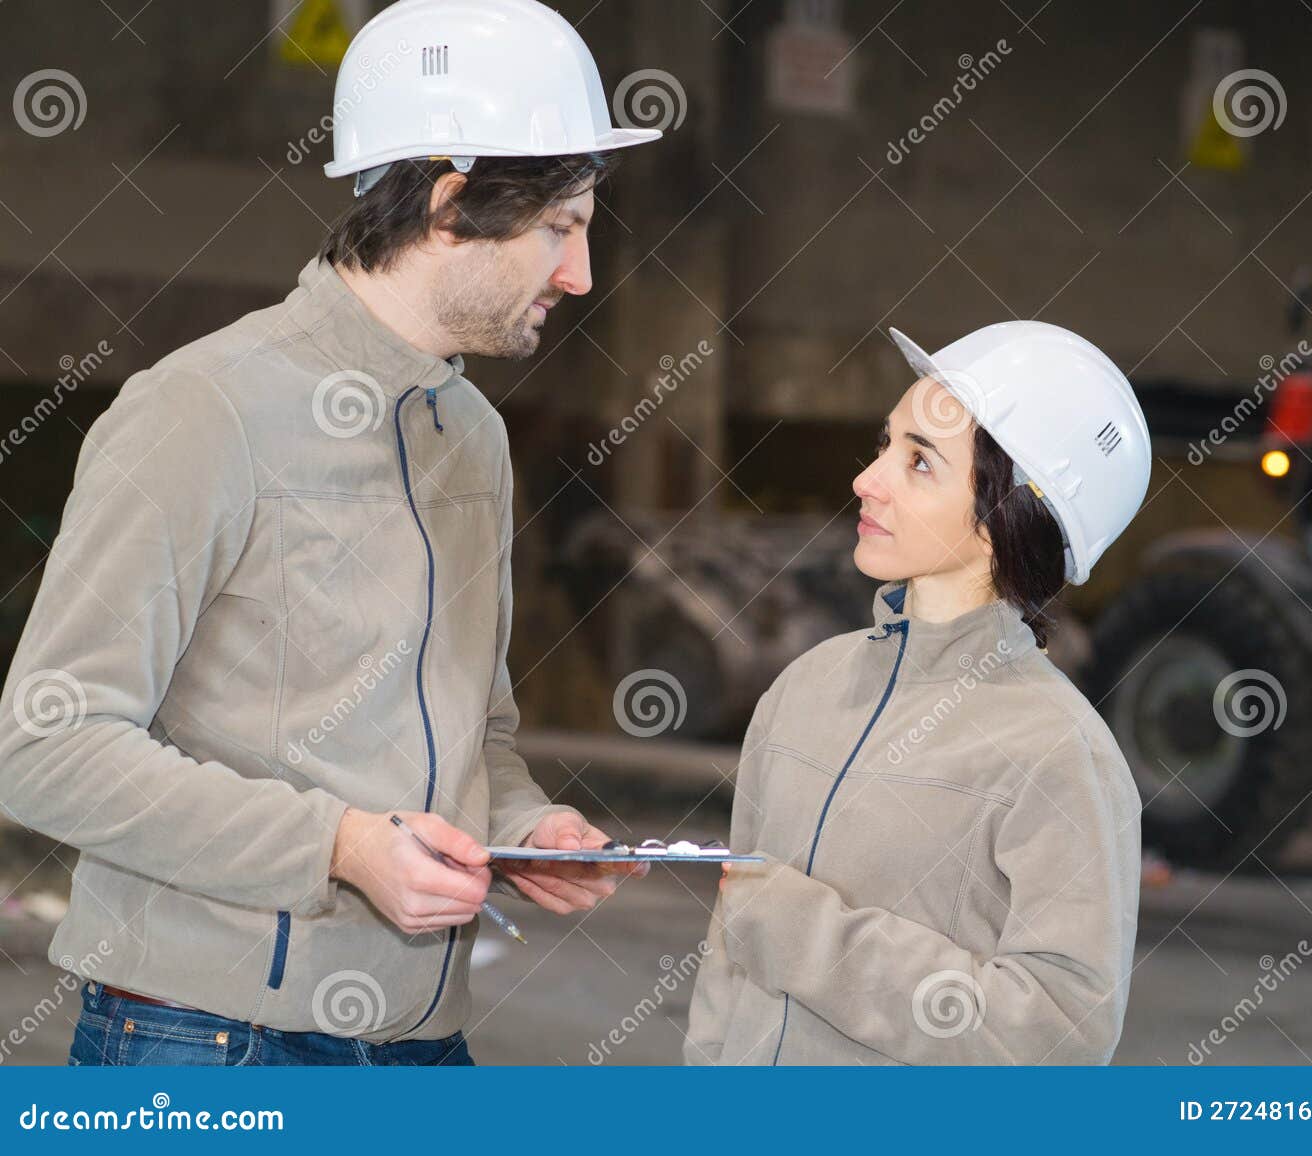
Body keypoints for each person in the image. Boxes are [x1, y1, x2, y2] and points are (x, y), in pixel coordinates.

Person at [0, 0, 660, 1066]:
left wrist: (525, 821)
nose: (580, 273)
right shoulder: (204, 411)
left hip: (420, 1039)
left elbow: (476, 727)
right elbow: (44, 747)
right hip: (204, 1039)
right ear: (451, 205)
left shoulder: (471, 436)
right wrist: (341, 847)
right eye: (561, 226)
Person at [684, 321, 1152, 1065]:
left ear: (1006, 517)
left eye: (920, 462)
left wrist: (809, 936)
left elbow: (1059, 1036)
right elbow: (729, 955)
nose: (867, 481)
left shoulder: (1059, 754)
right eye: (884, 445)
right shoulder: (805, 688)